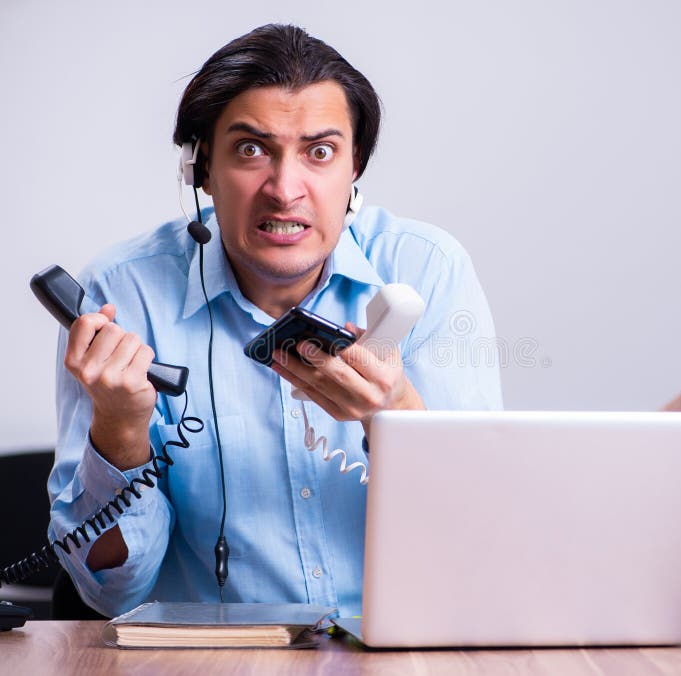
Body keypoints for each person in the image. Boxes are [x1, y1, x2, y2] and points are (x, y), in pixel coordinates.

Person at [48, 24, 502, 619]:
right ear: (200, 168)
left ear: (354, 168)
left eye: (320, 152)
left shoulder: (427, 270)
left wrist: (398, 419)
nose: (286, 190)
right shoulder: (123, 292)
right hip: (210, 663)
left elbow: (485, 547)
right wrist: (120, 431)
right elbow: (111, 592)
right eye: (251, 149)